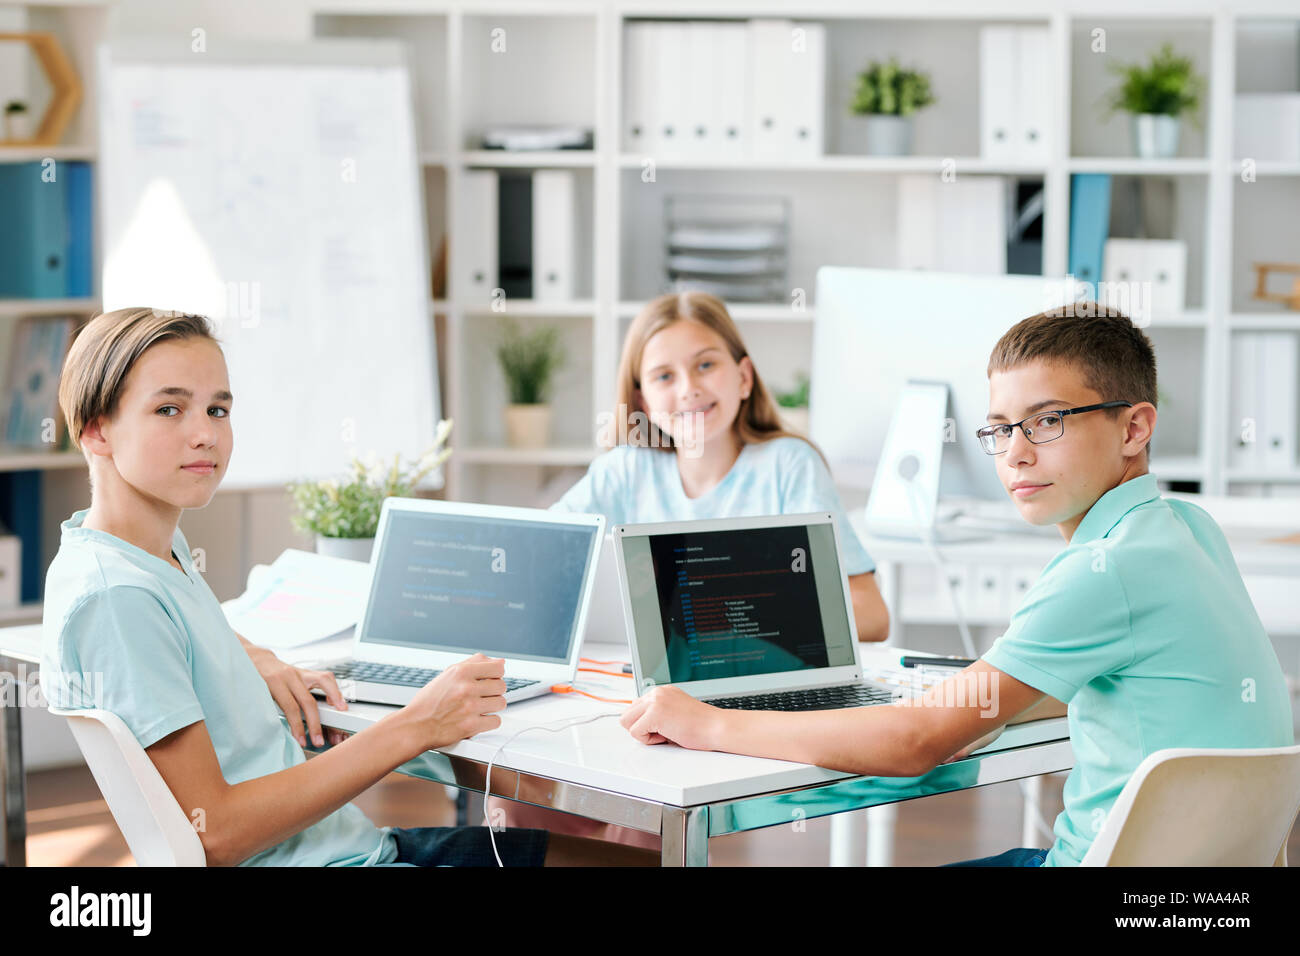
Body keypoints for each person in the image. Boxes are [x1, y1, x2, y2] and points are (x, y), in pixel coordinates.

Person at [618, 304, 1294, 866]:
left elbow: (915, 747)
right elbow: (1093, 689)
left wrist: (706, 722)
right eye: (1001, 429)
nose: (1016, 452)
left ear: (1134, 427)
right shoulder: (1183, 527)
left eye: (1048, 421)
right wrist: (960, 705)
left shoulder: (1105, 568)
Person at [40, 307, 653, 867]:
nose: (205, 433)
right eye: (169, 409)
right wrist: (416, 725)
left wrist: (254, 658)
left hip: (353, 847)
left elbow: (181, 632)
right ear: (96, 431)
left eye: (218, 409)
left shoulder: (141, 553)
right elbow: (214, 833)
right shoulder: (116, 599)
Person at [553, 290, 889, 643]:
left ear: (744, 378)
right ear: (643, 402)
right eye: (664, 376)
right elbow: (541, 554)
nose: (689, 389)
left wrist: (742, 617)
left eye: (705, 365)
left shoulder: (789, 467)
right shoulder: (622, 472)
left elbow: (872, 615)